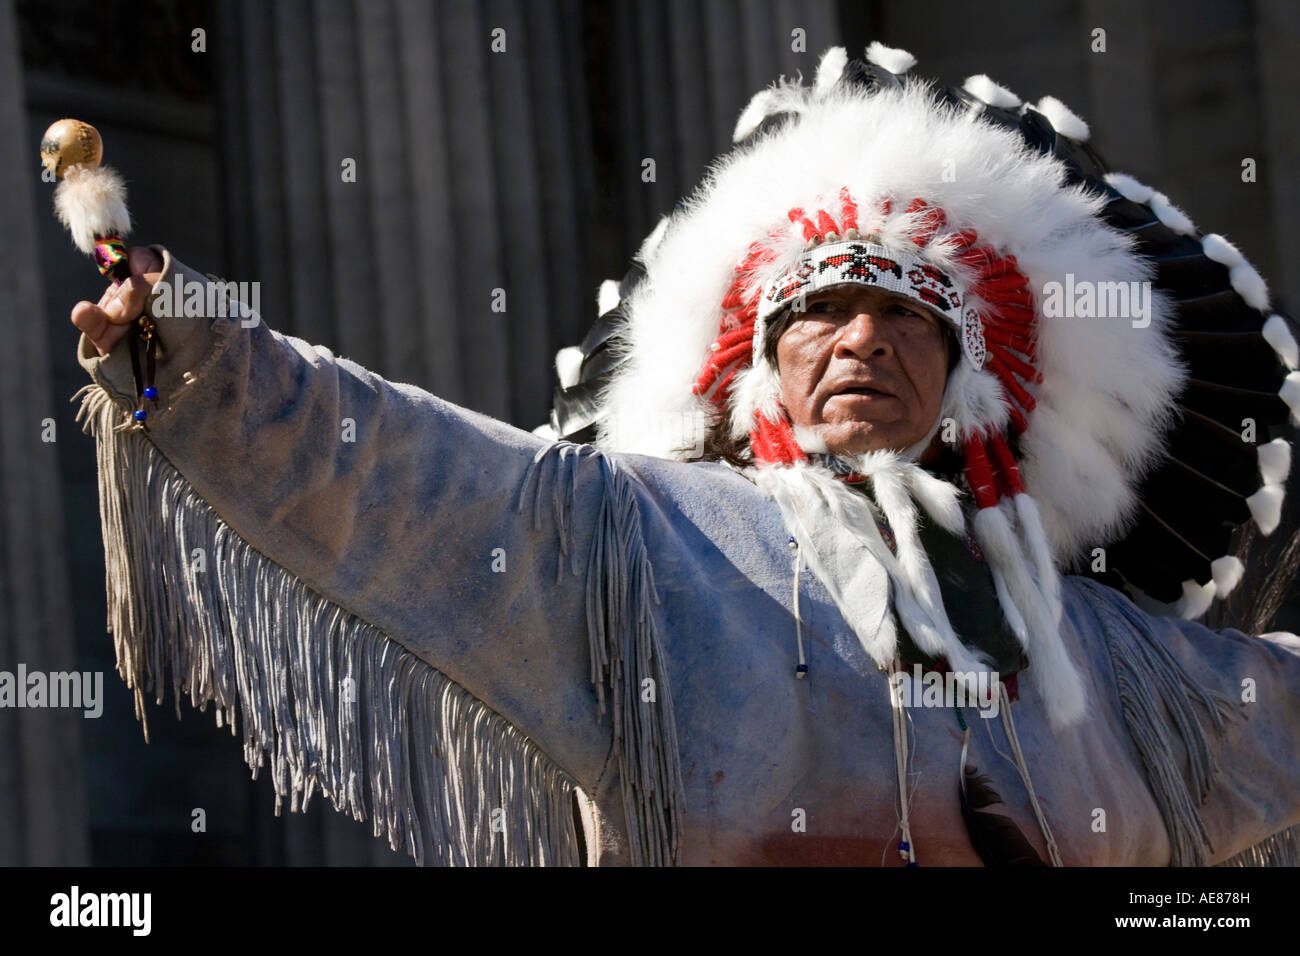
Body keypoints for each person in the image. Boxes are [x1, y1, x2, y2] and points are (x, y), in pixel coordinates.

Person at [69, 44, 1300, 867]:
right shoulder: (636, 545)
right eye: (816, 313)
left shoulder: (1124, 668)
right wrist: (202, 357)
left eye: (909, 319)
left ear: (972, 378)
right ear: (761, 363)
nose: (861, 339)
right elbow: (397, 468)